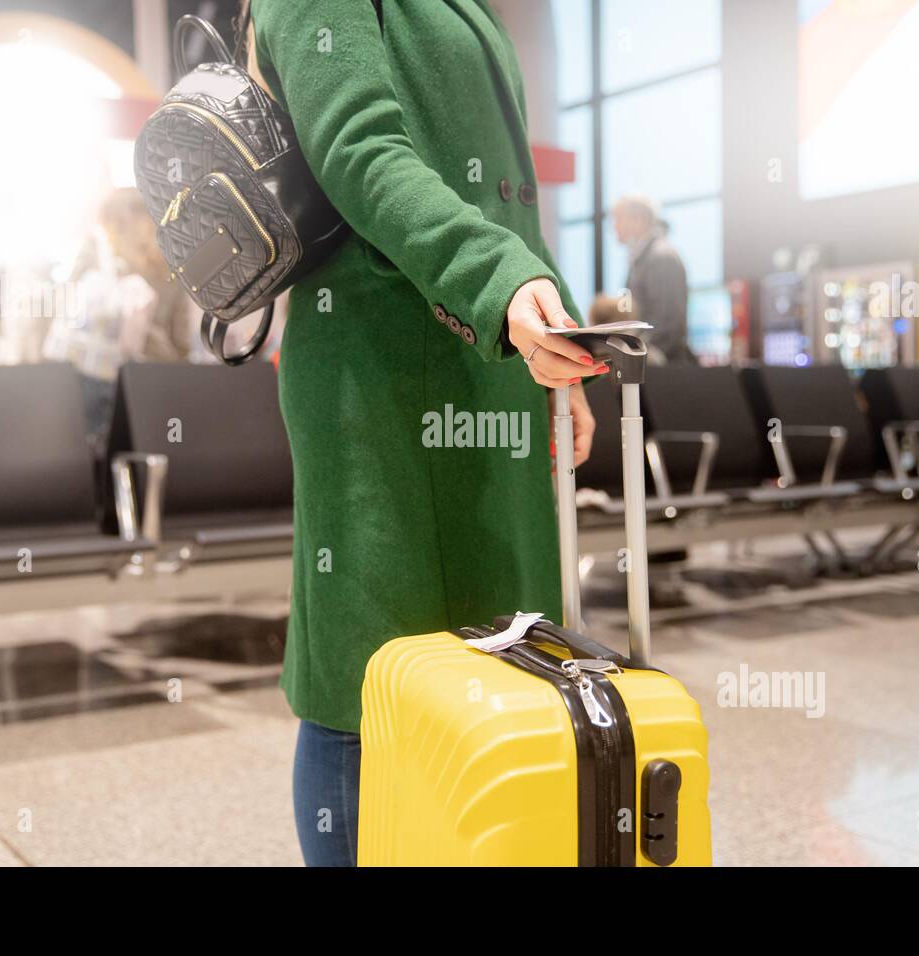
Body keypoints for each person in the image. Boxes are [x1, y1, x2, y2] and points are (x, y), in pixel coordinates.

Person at [244, 0, 603, 866]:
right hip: (382, 374)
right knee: (369, 669)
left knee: (503, 652)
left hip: (492, 352)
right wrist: (499, 280)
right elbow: (359, 152)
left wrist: (567, 337)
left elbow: (512, 203)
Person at [43, 188, 197, 441]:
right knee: (144, 453)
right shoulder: (173, 264)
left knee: (85, 456)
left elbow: (65, 305)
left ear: (111, 221)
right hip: (150, 379)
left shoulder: (95, 249)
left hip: (88, 375)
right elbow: (180, 341)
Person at [611, 195, 694, 364]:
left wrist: (635, 354)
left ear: (638, 220)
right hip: (649, 365)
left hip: (664, 371)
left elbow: (668, 322)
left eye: (618, 219)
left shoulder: (662, 257)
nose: (614, 227)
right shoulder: (639, 259)